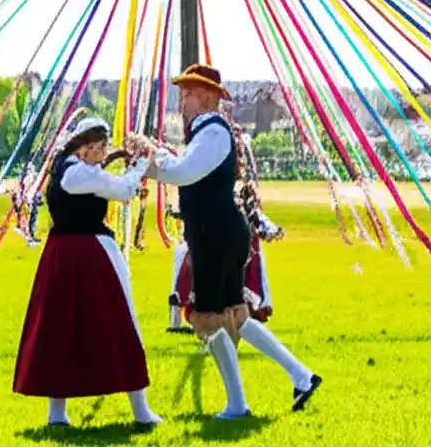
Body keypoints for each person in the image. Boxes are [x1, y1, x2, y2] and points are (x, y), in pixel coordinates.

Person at [134, 64, 321, 419]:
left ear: (203, 97)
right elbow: (187, 165)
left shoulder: (213, 131)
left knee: (208, 317)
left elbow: (186, 172)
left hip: (215, 234)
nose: (181, 101)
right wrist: (155, 157)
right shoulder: (207, 131)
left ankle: (237, 404)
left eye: (186, 93)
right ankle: (301, 375)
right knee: (237, 315)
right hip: (219, 231)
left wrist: (147, 165)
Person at [12, 118, 161, 427]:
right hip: (91, 254)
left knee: (60, 327)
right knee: (120, 322)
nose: (99, 153)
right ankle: (140, 410)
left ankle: (58, 413)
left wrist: (119, 155)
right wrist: (141, 164)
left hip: (62, 255)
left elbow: (98, 172)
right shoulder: (78, 173)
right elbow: (122, 190)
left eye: (101, 147)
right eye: (94, 147)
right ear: (80, 148)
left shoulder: (67, 166)